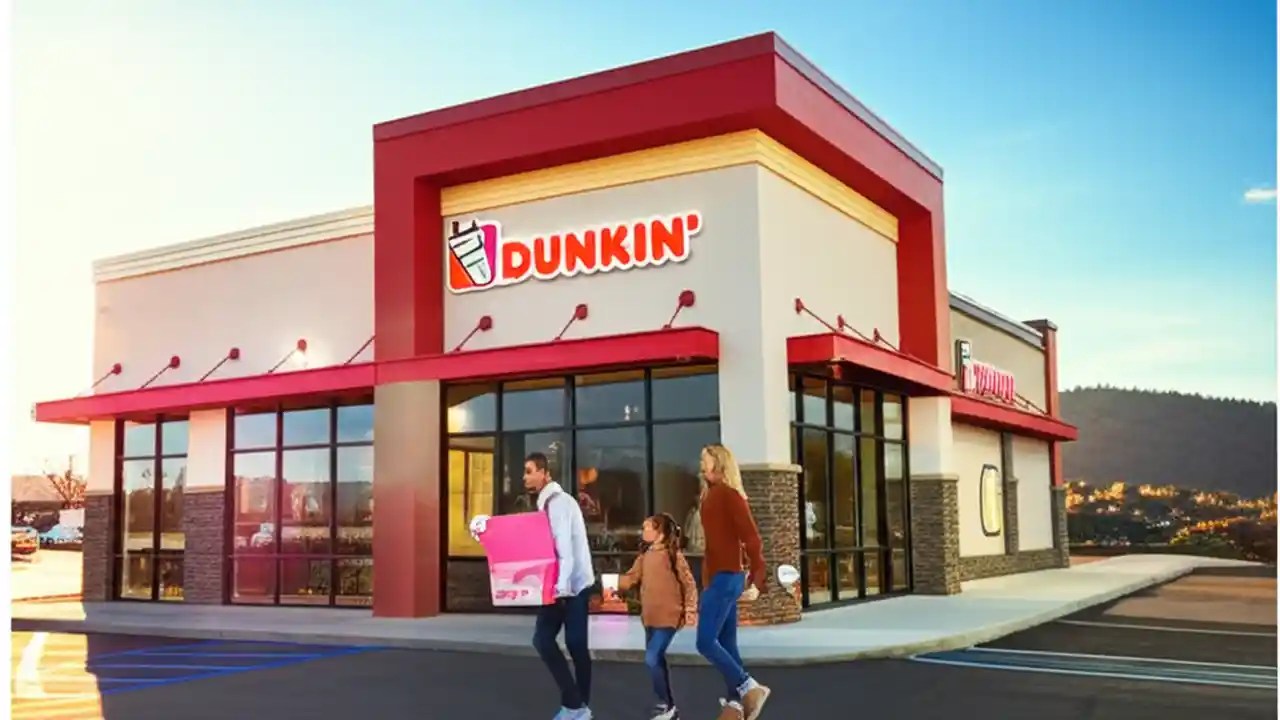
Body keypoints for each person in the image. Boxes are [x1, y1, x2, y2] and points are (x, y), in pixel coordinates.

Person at [695, 444, 771, 720]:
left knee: (705, 642)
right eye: (702, 460)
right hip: (718, 576)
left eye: (707, 460)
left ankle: (749, 687)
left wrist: (757, 576)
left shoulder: (729, 495)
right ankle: (735, 706)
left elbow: (752, 538)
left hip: (727, 577)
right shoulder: (710, 495)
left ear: (720, 464)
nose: (702, 464)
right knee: (727, 644)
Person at [526, 452, 596, 720]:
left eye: (530, 471)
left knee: (560, 642)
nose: (525, 476)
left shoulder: (558, 504)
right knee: (559, 642)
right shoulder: (547, 504)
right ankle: (578, 706)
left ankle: (577, 707)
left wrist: (560, 590)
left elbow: (564, 550)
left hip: (568, 585)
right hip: (563, 583)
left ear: (545, 473)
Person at [617, 513, 698, 720]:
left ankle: (665, 703)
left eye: (647, 528)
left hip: (669, 617)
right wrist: (612, 583)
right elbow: (631, 578)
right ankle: (669, 706)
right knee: (657, 659)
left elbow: (689, 584)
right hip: (649, 618)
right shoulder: (644, 556)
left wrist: (690, 609)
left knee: (652, 658)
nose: (643, 531)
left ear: (660, 532)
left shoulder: (674, 556)